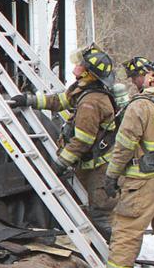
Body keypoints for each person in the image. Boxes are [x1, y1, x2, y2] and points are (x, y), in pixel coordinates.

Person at [9, 43, 118, 214]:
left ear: (88, 73)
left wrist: (60, 163)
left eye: (80, 64)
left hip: (99, 169)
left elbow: (83, 140)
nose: (76, 66)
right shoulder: (83, 89)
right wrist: (29, 100)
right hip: (88, 162)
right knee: (86, 206)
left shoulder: (91, 102)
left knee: (101, 210)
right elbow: (59, 101)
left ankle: (109, 241)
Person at [103, 52, 154, 268]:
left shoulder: (141, 106)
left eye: (151, 73)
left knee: (127, 229)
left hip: (142, 181)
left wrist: (112, 175)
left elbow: (123, 146)